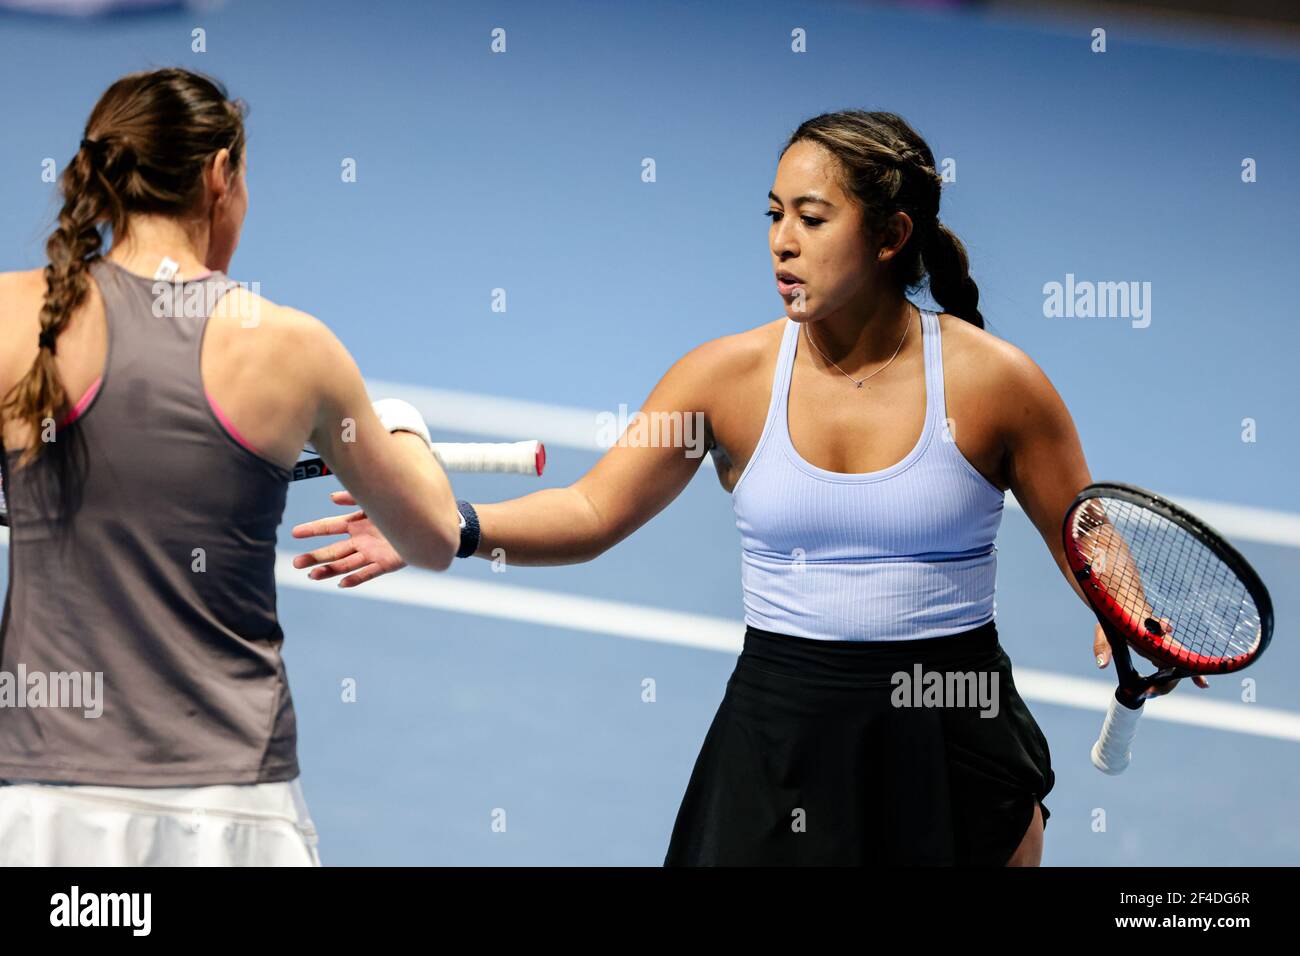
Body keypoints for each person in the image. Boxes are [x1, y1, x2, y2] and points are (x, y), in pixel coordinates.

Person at [291, 110, 1204, 866]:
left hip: (951, 732)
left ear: (890, 237)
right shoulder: (719, 381)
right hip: (779, 742)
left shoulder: (996, 383)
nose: (782, 243)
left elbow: (1085, 531)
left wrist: (1121, 600)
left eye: (812, 219)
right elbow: (593, 507)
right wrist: (451, 525)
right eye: (773, 215)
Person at [0, 68, 462, 866]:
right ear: (220, 176)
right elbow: (434, 538)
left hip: (47, 814)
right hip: (231, 819)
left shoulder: (12, 314)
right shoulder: (291, 347)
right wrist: (407, 434)